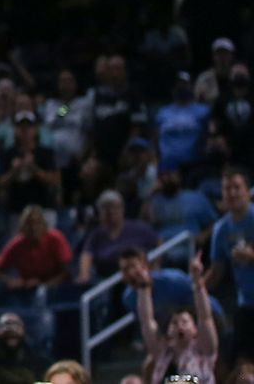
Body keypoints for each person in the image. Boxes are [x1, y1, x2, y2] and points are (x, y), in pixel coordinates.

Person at [138, 253, 217, 384]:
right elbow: (146, 321)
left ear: (195, 329)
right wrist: (143, 287)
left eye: (185, 322)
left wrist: (197, 281)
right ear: (168, 331)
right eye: (174, 323)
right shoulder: (162, 353)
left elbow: (205, 317)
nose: (179, 326)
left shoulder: (203, 350)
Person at [209, 164, 254, 364]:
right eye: (227, 188)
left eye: (237, 187)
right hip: (246, 304)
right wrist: (197, 287)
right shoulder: (221, 229)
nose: (232, 193)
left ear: (248, 191)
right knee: (242, 366)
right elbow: (217, 271)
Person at [78, 190, 158, 284]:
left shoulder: (139, 228)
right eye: (105, 209)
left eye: (114, 208)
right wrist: (84, 275)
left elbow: (158, 243)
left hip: (134, 278)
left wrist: (155, 267)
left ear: (122, 209)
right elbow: (87, 254)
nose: (110, 212)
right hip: (105, 281)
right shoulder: (96, 234)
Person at [0, 205, 72, 291]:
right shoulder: (16, 244)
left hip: (58, 289)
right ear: (22, 228)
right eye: (29, 224)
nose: (33, 228)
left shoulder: (56, 238)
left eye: (37, 223)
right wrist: (10, 281)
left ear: (44, 225)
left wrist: (43, 285)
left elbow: (66, 271)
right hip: (28, 291)